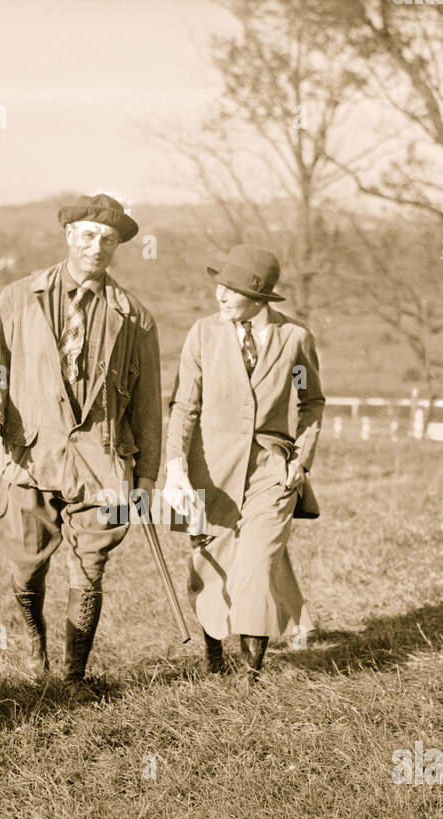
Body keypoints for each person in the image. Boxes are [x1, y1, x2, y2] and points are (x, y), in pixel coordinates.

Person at [0, 193, 161, 682]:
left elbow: (149, 405)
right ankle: (36, 651)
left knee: (90, 568)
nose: (97, 246)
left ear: (117, 247)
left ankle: (72, 678)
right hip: (27, 456)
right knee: (25, 567)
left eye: (109, 240)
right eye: (89, 235)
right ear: (70, 235)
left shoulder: (135, 317)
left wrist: (147, 476)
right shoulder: (18, 298)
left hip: (105, 461)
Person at [163, 244, 324, 682]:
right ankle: (214, 660)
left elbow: (311, 403)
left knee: (256, 561)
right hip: (210, 470)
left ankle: (250, 676)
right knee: (210, 562)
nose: (220, 295)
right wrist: (175, 466)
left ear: (258, 297)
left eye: (231, 289)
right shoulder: (202, 335)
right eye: (219, 285)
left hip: (272, 470)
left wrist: (302, 459)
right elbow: (184, 406)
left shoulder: (294, 340)